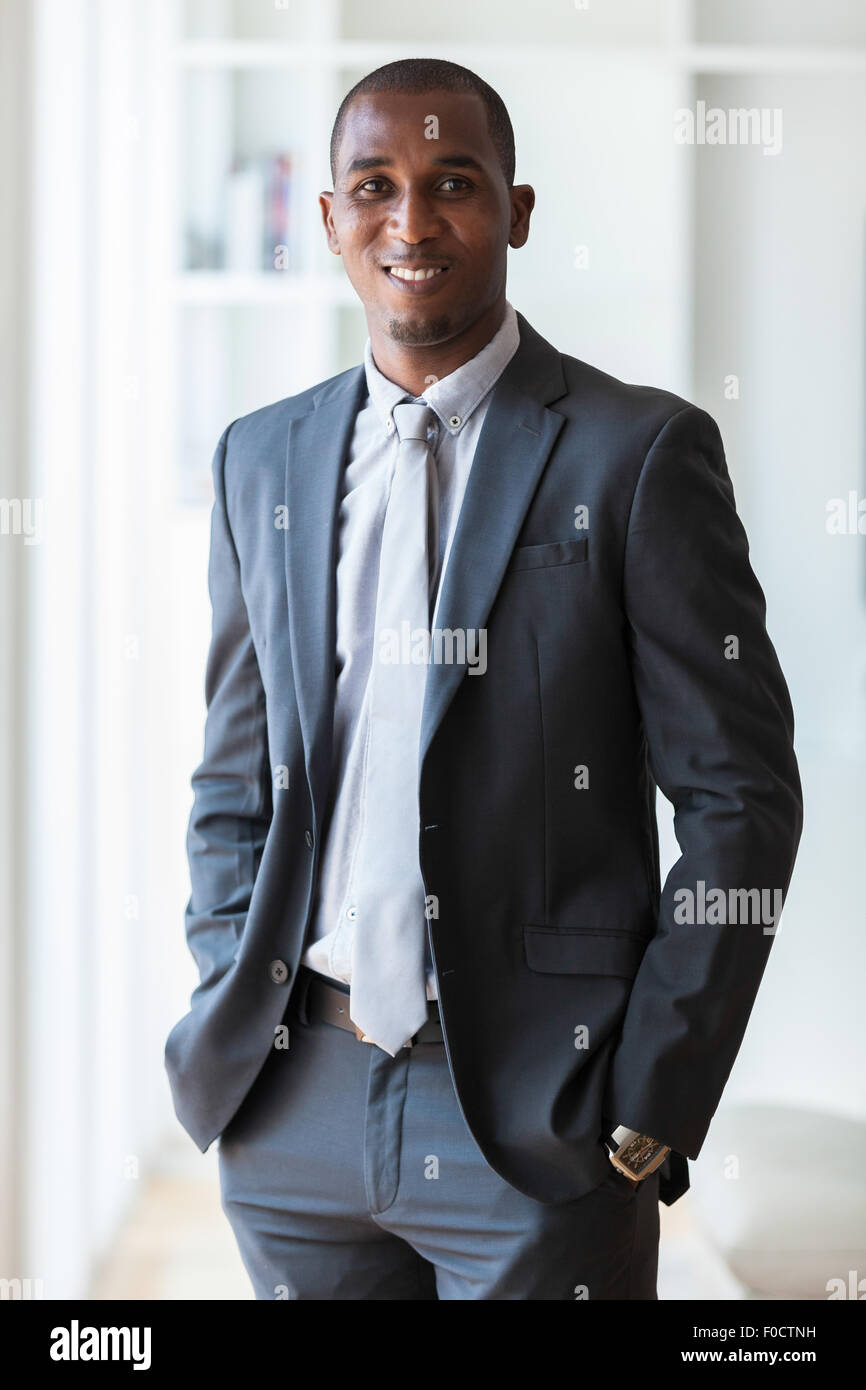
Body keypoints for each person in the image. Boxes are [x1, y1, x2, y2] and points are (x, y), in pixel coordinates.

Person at [164, 58, 803, 1300]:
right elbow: (233, 775)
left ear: (514, 208)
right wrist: (224, 985)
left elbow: (739, 800)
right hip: (294, 1107)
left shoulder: (637, 454)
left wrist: (653, 1091)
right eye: (375, 188)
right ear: (330, 223)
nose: (411, 223)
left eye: (451, 184)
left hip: (540, 1121)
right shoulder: (262, 462)